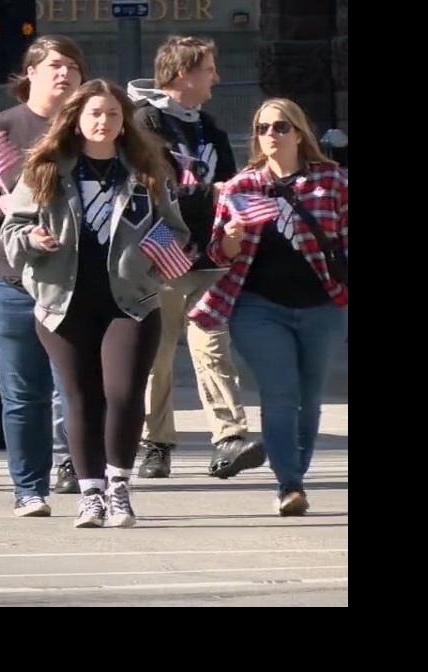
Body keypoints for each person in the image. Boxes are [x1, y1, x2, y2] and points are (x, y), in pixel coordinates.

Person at [0, 79, 188, 528]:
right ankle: (91, 494)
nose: (104, 122)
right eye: (95, 114)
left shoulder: (146, 169)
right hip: (63, 301)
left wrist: (151, 254)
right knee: (80, 397)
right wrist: (31, 237)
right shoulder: (46, 167)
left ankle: (119, 487)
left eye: (113, 115)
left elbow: (177, 230)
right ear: (76, 120)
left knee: (123, 394)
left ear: (125, 122)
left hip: (132, 299)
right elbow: (12, 227)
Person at [0, 35, 87, 513]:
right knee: (23, 389)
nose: (65, 74)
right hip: (7, 281)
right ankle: (29, 488)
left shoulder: (90, 130)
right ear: (29, 73)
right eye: (55, 66)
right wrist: (2, 205)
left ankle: (80, 469)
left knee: (77, 385)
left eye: (72, 66)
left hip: (75, 282)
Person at [191, 98, 348, 516]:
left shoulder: (331, 181)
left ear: (299, 133)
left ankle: (295, 471)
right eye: (263, 128)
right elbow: (218, 253)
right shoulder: (243, 186)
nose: (271, 136)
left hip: (322, 304)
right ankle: (289, 484)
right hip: (258, 307)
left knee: (310, 398)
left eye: (281, 127)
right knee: (280, 394)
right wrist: (230, 236)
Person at [128, 35, 263, 480]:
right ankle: (156, 444)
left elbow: (226, 181)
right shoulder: (144, 122)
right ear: (183, 73)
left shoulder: (208, 125)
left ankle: (228, 438)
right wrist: (212, 192)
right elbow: (151, 187)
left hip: (207, 254)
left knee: (212, 345)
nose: (216, 78)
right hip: (163, 250)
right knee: (159, 355)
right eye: (208, 69)